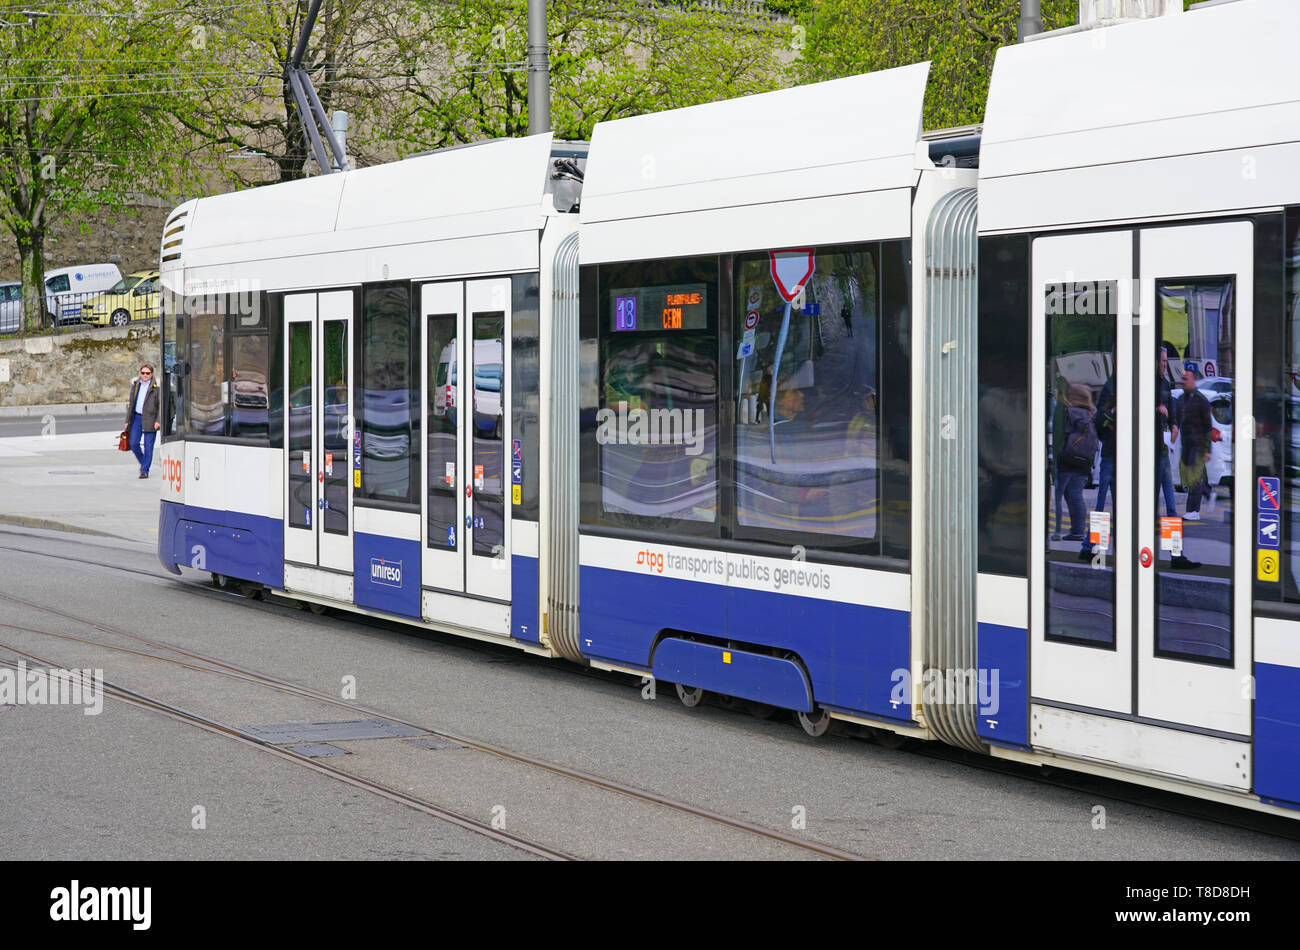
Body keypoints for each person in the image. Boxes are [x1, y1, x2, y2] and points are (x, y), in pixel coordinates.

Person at [1057, 383, 1097, 561]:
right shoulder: (1090, 415)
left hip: (1068, 458)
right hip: (1084, 462)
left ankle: (1059, 530)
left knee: (1059, 494)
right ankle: (1078, 531)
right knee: (1075, 494)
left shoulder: (1069, 412)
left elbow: (1061, 434)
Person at [1175, 368, 1213, 520]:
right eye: (1182, 379)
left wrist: (1207, 449)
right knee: (1187, 477)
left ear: (1194, 381)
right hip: (1186, 444)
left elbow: (1208, 427)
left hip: (1198, 444)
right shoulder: (1180, 400)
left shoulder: (1201, 400)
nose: (1183, 382)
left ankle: (1193, 511)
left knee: (1194, 477)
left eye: (1186, 379)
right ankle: (1208, 493)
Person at [123, 363, 160, 478]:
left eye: (147, 373)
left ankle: (144, 470)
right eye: (143, 373)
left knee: (148, 446)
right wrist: (127, 420)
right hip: (136, 417)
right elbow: (131, 403)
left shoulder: (156, 387)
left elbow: (161, 405)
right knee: (133, 443)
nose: (145, 375)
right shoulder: (136, 385)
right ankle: (144, 463)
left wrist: (158, 420)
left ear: (151, 374)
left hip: (150, 418)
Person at [1156, 346, 1179, 518]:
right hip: (1152, 442)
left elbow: (1171, 407)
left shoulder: (1165, 383)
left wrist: (1174, 425)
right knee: (1161, 481)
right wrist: (1156, 408)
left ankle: (1171, 516)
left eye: (1166, 361)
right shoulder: (1148, 382)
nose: (1165, 364)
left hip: (1163, 442)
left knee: (1167, 482)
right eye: (1162, 361)